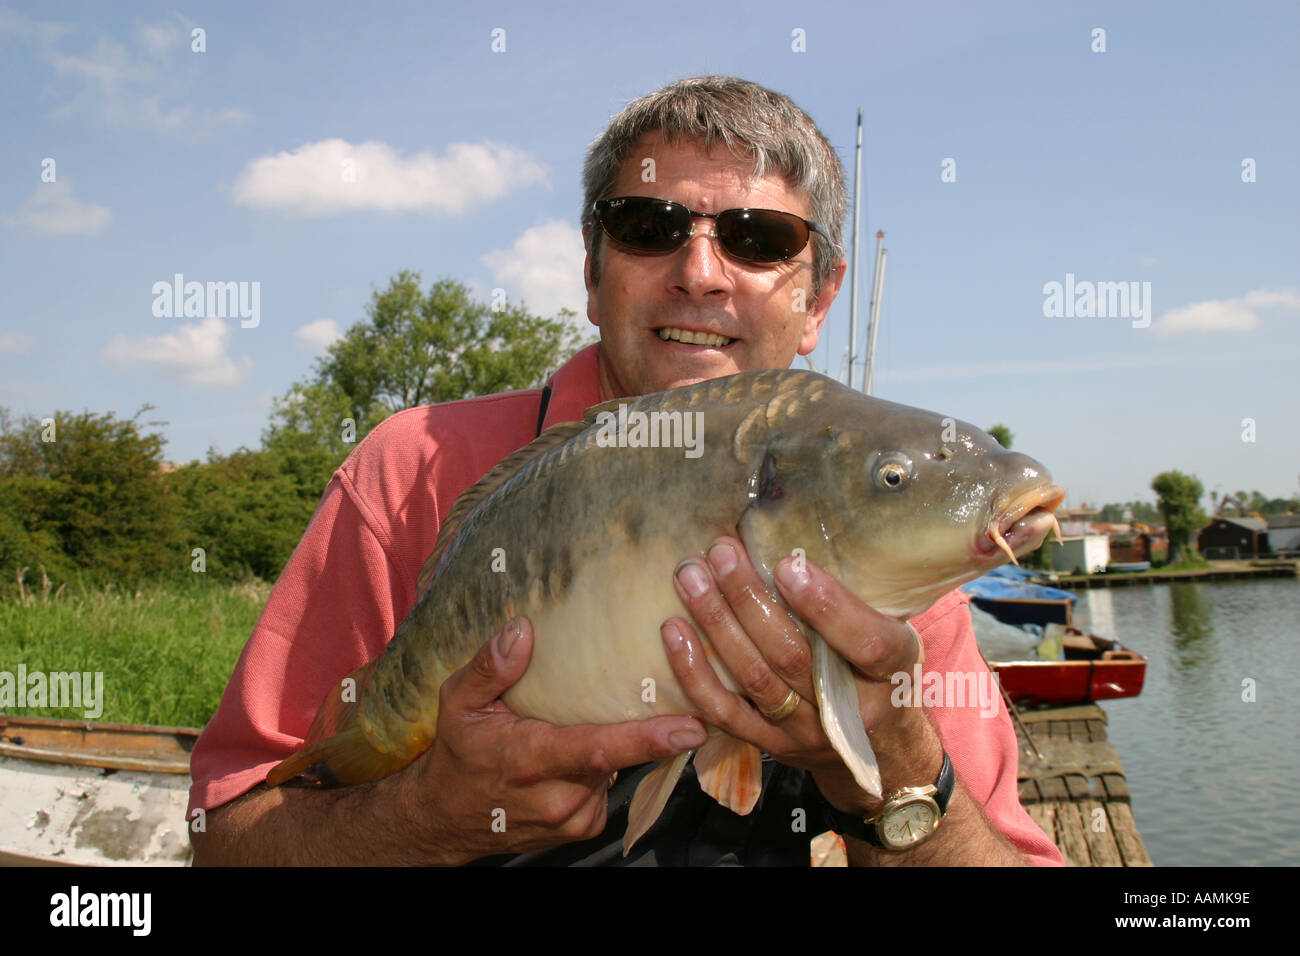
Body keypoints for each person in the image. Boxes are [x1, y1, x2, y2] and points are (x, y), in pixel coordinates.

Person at [188, 76, 1063, 866]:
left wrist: (897, 775)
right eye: (649, 228)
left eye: (760, 239)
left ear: (819, 299)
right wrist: (426, 819)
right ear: (592, 270)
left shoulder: (899, 564)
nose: (699, 274)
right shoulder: (408, 471)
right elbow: (223, 842)